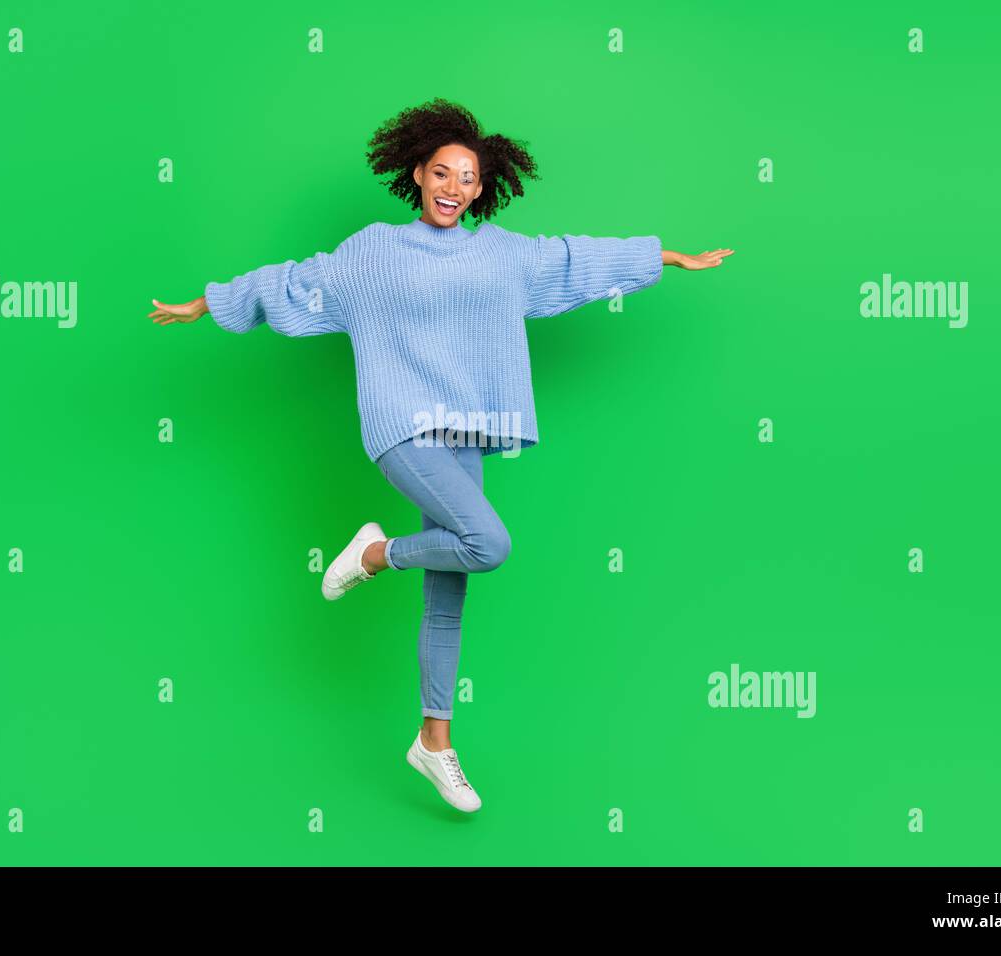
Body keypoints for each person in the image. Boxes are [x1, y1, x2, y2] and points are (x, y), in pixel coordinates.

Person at [150, 98, 734, 813]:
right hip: (402, 425)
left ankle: (434, 742)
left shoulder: (503, 257)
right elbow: (293, 282)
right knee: (486, 543)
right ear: (417, 174)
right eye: (442, 172)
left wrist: (663, 256)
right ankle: (374, 554)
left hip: (467, 428)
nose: (455, 186)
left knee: (450, 592)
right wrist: (206, 303)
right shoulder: (372, 252)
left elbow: (574, 260)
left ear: (483, 186)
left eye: (469, 177)